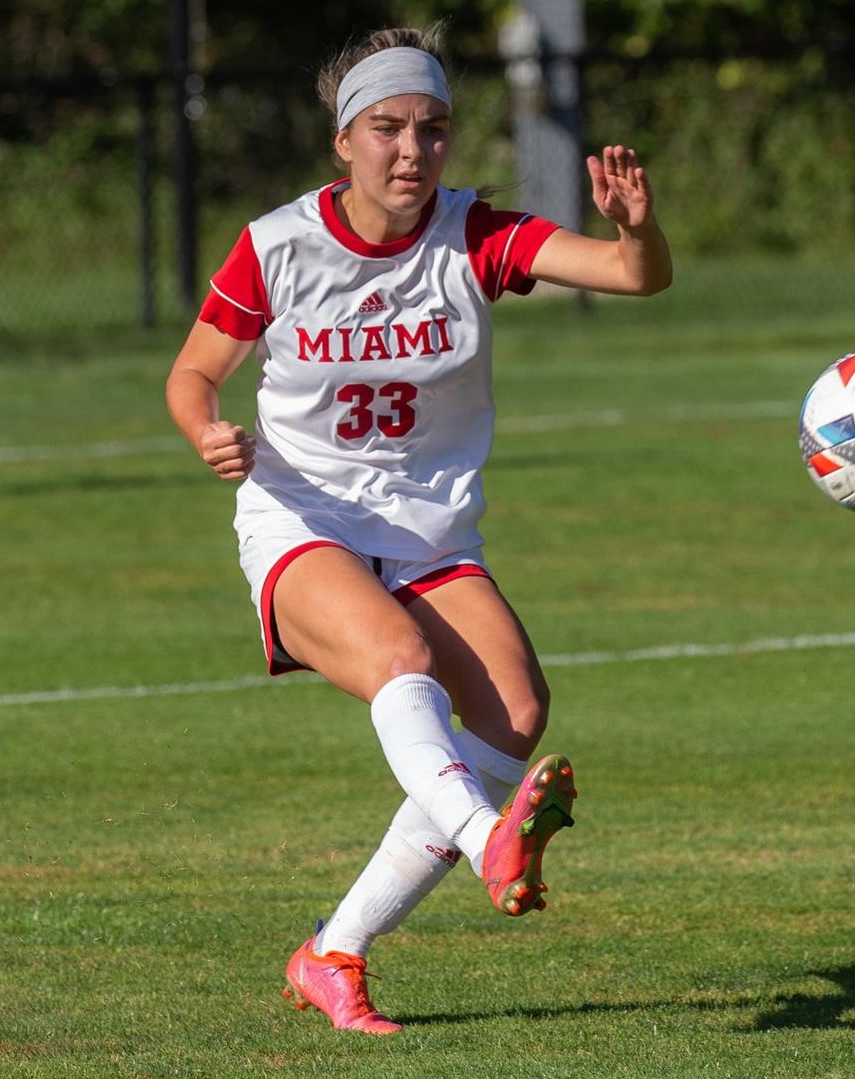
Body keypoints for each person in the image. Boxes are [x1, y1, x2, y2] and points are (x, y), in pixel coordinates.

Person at [165, 26, 672, 1035]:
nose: (412, 150)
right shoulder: (276, 245)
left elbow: (635, 277)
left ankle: (332, 952)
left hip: (425, 529)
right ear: (343, 140)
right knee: (400, 657)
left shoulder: (474, 234)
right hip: (301, 512)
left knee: (514, 712)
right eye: (388, 128)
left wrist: (637, 228)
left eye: (432, 129)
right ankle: (489, 841)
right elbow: (192, 372)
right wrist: (205, 430)